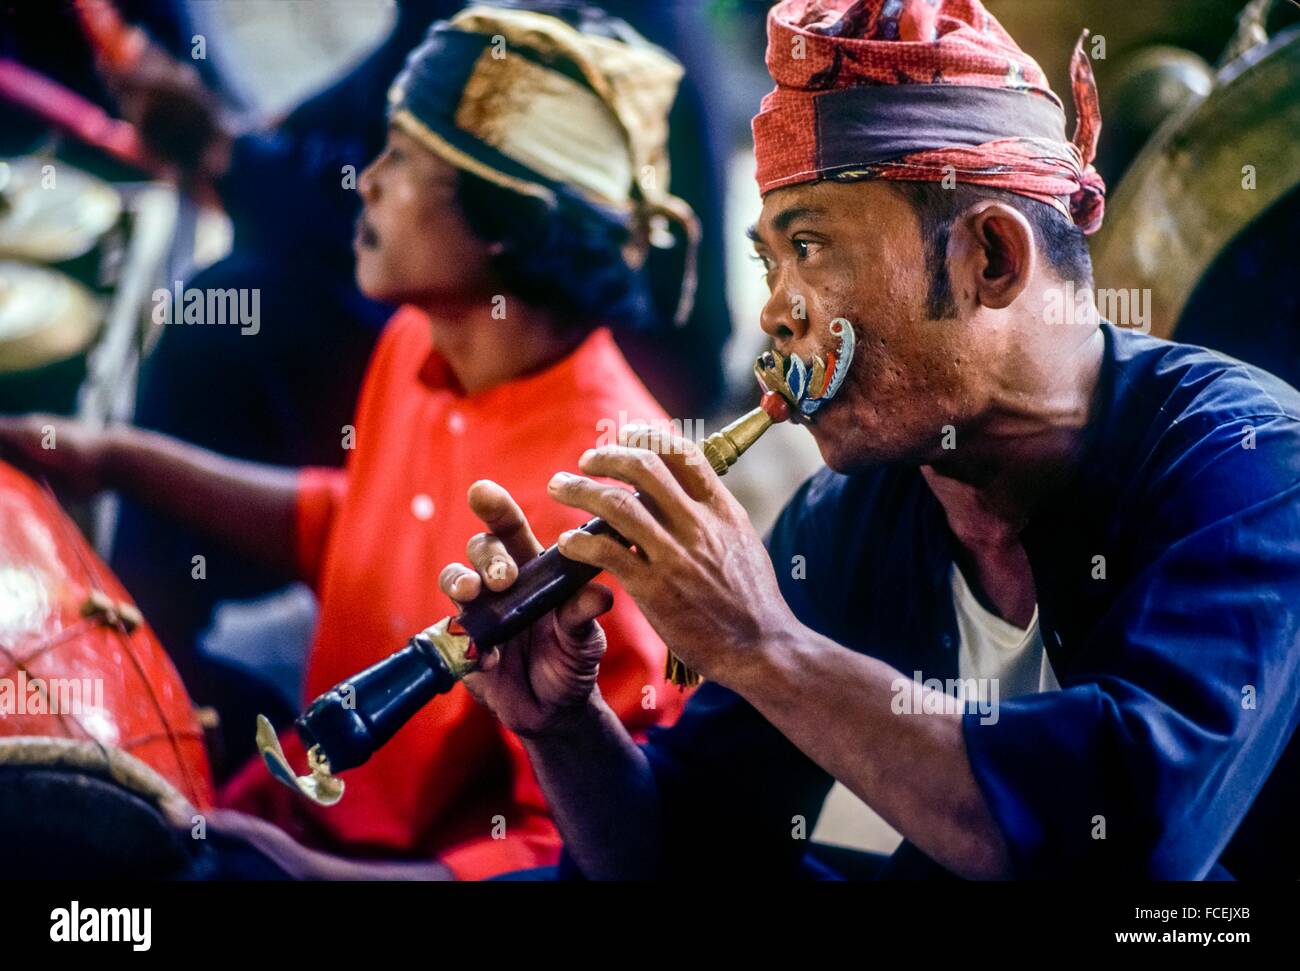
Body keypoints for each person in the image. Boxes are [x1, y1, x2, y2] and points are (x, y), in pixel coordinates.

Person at [435, 0, 1300, 879]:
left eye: (810, 245)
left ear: (990, 259)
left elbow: (1137, 836)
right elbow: (689, 850)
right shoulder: (850, 512)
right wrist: (564, 726)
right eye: (771, 263)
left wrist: (765, 644)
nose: (777, 308)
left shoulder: (1251, 460)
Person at [0, 1, 697, 879]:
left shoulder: (608, 490)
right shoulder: (419, 340)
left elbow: (563, 852)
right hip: (296, 781)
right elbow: (358, 535)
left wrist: (308, 874)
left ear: (500, 221)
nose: (362, 182)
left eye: (401, 159)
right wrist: (112, 459)